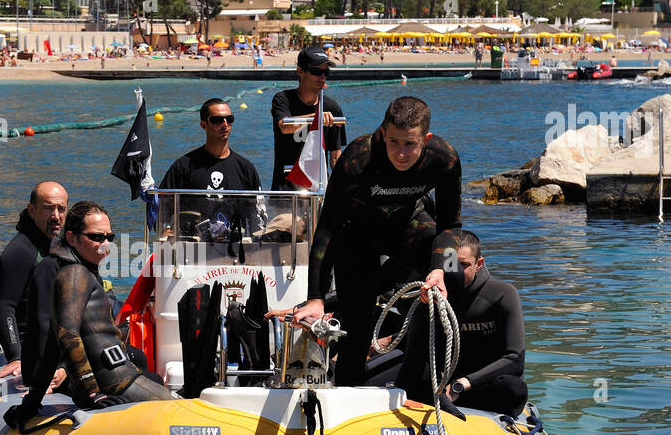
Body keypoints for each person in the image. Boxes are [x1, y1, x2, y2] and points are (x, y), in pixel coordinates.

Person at [293, 95, 463, 387]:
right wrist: (316, 298)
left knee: (454, 276)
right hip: (356, 234)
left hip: (406, 227)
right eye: (394, 142)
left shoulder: (443, 158)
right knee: (358, 325)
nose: (401, 153)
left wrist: (439, 269)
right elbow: (326, 230)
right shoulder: (358, 158)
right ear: (383, 134)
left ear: (426, 139)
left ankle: (427, 384)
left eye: (410, 144)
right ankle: (349, 390)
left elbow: (450, 224)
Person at [7, 202, 173, 426]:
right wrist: (93, 393)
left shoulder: (79, 272)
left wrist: (31, 403)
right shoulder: (74, 275)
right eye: (96, 237)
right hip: (117, 384)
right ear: (72, 238)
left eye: (109, 238)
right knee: (183, 412)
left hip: (119, 379)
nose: (105, 245)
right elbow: (67, 336)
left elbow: (52, 346)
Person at [392, 232, 528, 416]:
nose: (456, 272)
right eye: (451, 265)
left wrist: (462, 385)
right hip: (439, 386)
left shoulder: (502, 294)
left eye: (463, 265)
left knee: (514, 389)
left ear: (479, 264)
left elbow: (515, 359)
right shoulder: (429, 295)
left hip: (475, 385)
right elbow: (414, 359)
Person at [0, 181, 68, 383]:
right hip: (34, 349)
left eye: (61, 209)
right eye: (48, 208)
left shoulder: (55, 245)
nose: (56, 216)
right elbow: (5, 307)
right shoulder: (20, 252)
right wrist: (16, 357)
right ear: (32, 210)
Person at [159, 98, 263, 238]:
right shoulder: (183, 166)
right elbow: (161, 206)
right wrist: (165, 230)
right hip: (193, 248)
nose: (225, 124)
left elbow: (257, 212)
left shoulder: (246, 169)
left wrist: (259, 241)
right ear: (203, 124)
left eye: (229, 119)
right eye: (217, 120)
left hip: (235, 249)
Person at [270, 46, 346, 191]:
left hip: (318, 190)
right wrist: (316, 118)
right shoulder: (283, 99)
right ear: (300, 71)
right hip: (286, 191)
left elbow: (335, 155)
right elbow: (284, 126)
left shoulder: (332, 107)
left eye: (326, 72)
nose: (322, 76)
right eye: (316, 71)